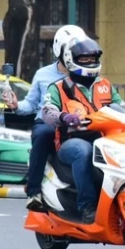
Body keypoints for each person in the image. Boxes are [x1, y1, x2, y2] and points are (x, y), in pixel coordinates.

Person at [39, 37, 120, 221]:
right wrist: (64, 117)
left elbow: (121, 106)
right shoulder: (58, 88)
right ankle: (87, 206)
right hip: (70, 142)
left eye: (93, 58)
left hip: (105, 140)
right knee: (84, 151)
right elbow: (47, 112)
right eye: (84, 59)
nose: (90, 62)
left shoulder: (105, 85)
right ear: (70, 59)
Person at [20, 24, 85, 201]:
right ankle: (33, 191)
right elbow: (30, 104)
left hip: (80, 122)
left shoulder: (86, 74)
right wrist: (14, 105)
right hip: (49, 122)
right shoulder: (42, 74)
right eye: (71, 50)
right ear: (60, 50)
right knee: (43, 135)